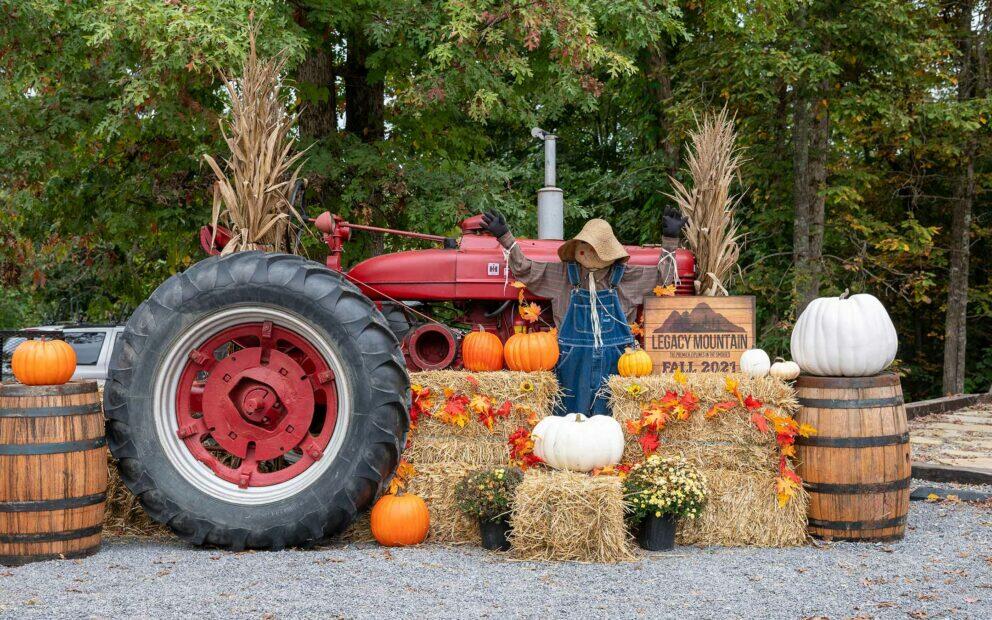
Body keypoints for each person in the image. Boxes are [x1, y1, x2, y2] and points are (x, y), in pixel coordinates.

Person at [480, 210, 685, 416]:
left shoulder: (625, 277)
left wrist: (670, 240)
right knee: (569, 422)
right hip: (572, 363)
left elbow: (663, 280)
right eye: (584, 246)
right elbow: (526, 269)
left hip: (619, 363)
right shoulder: (563, 276)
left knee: (612, 423)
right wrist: (505, 237)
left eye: (596, 249)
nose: (587, 252)